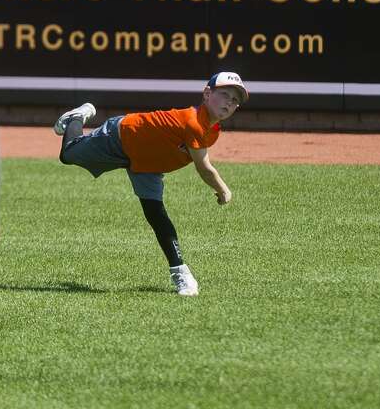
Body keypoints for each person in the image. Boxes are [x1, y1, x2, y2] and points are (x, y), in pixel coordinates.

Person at [53, 71, 247, 296]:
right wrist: (222, 189)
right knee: (68, 154)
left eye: (235, 100)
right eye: (224, 94)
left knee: (156, 214)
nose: (229, 103)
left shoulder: (212, 130)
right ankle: (77, 116)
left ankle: (181, 274)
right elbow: (204, 169)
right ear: (206, 94)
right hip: (121, 138)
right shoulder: (193, 123)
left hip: (148, 166)